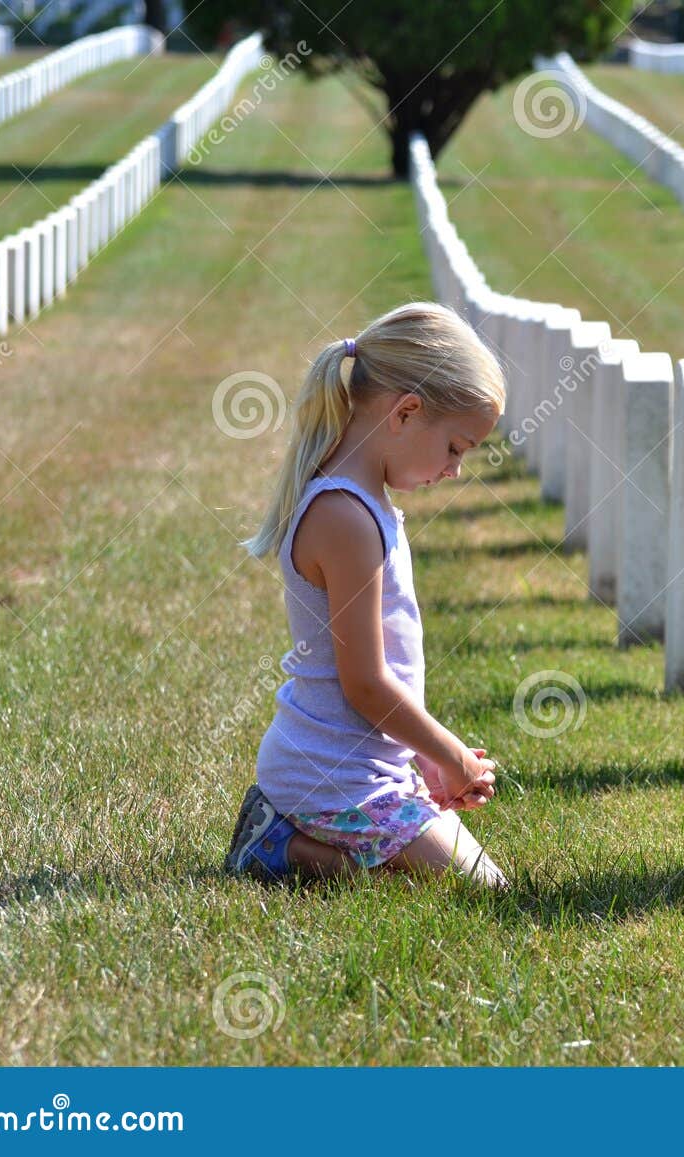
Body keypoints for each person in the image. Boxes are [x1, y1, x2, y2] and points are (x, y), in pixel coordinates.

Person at [225, 302, 509, 888]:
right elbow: (364, 683)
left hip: (367, 769)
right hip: (329, 777)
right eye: (456, 447)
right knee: (473, 889)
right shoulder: (345, 517)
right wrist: (451, 754)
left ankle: (308, 838)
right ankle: (281, 846)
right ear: (406, 412)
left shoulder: (366, 505)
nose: (456, 469)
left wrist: (427, 761)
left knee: (481, 880)